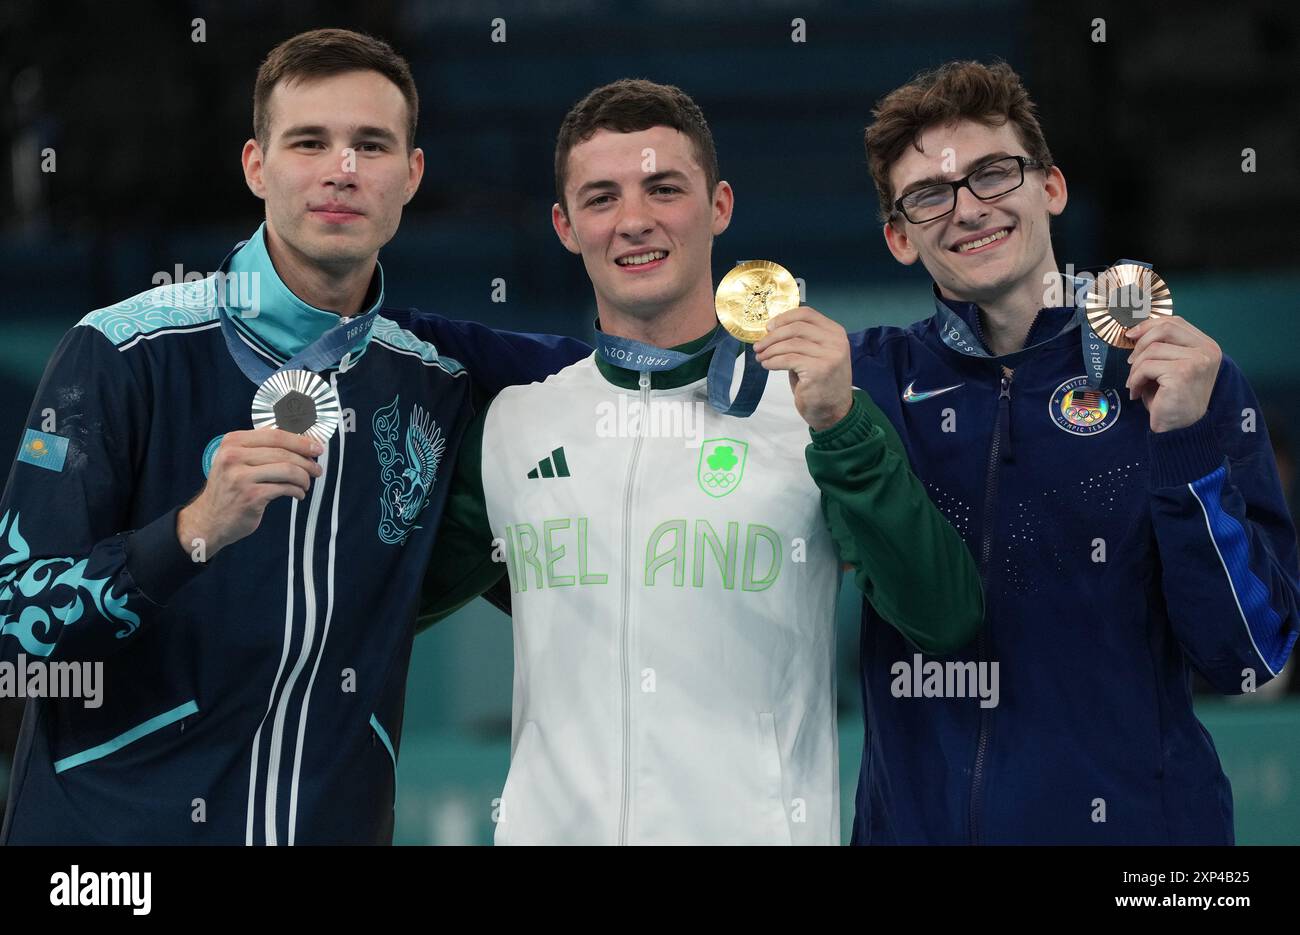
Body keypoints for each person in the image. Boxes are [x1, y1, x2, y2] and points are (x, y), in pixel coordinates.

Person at [0, 28, 583, 845]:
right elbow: (15, 630)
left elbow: (613, 394)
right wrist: (187, 534)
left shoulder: (434, 385)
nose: (342, 169)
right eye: (310, 141)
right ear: (256, 165)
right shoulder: (121, 351)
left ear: (411, 176)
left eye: (370, 145)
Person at [416, 79, 984, 845]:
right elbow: (376, 610)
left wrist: (843, 427)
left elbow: (944, 618)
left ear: (719, 206)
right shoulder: (516, 426)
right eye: (601, 198)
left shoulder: (811, 410)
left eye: (663, 188)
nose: (635, 221)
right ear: (564, 225)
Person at [844, 60, 1300, 843]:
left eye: (993, 173)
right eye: (929, 194)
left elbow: (1251, 659)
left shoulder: (1178, 371)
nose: (968, 209)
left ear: (1049, 187)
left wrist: (1184, 445)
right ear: (898, 236)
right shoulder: (864, 383)